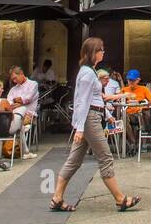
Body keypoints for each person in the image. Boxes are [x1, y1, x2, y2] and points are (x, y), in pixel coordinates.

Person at [51, 37, 139, 213]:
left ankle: (57, 197)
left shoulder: (90, 71)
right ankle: (120, 199)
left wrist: (104, 114)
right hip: (90, 119)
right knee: (105, 157)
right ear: (93, 52)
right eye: (101, 49)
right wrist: (80, 127)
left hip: (91, 117)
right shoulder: (87, 73)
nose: (104, 52)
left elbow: (93, 99)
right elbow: (82, 101)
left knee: (74, 160)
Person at [6, 65, 40, 158]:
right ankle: (19, 150)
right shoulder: (13, 89)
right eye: (12, 79)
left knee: (20, 124)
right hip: (14, 113)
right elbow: (8, 102)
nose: (14, 81)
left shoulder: (33, 84)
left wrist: (18, 101)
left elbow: (28, 98)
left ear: (21, 74)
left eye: (15, 78)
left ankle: (20, 149)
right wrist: (20, 102)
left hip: (29, 114)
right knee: (8, 124)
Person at [120, 69, 151, 154]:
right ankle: (133, 142)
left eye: (133, 80)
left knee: (144, 113)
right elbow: (118, 101)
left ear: (138, 80)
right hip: (128, 114)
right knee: (123, 118)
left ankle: (141, 143)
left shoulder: (144, 89)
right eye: (129, 80)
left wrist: (146, 104)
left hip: (140, 114)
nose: (131, 82)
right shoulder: (124, 90)